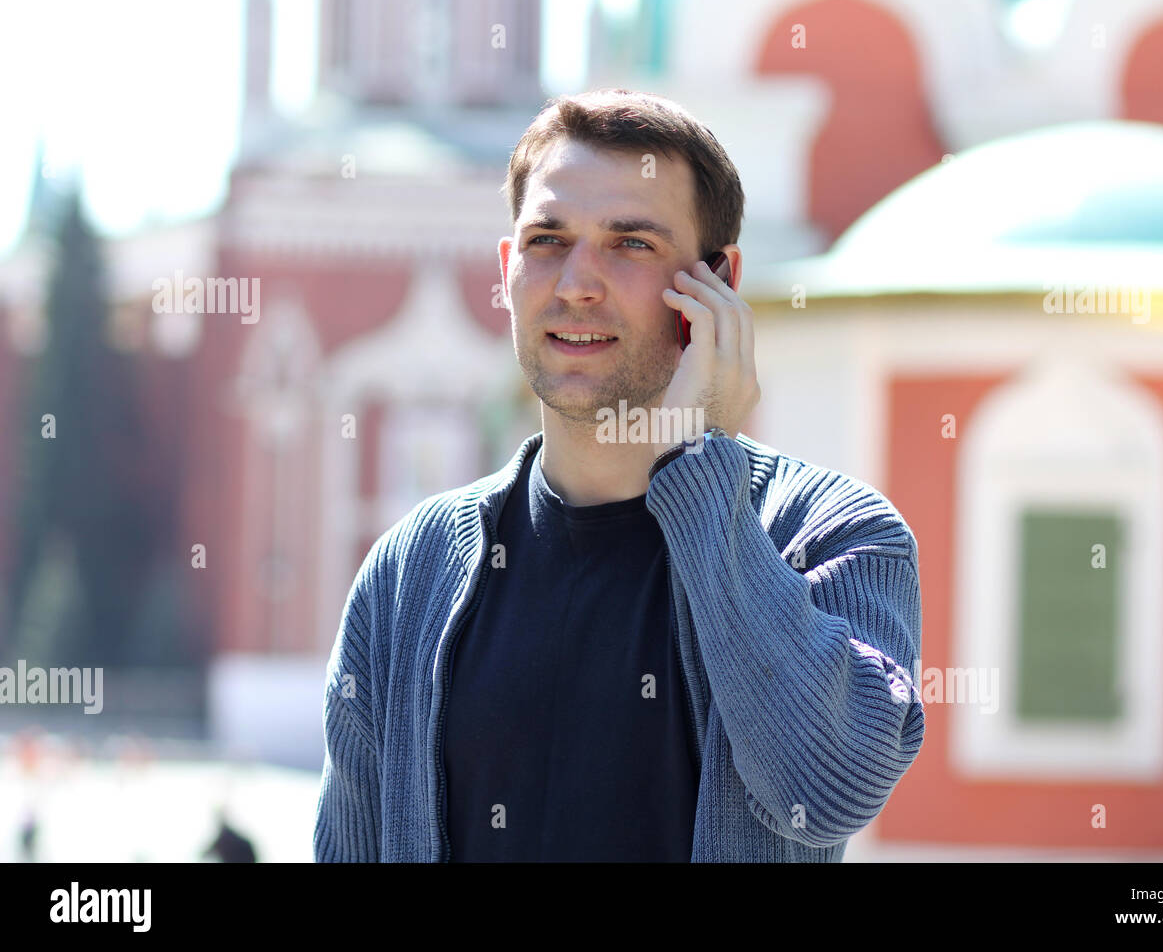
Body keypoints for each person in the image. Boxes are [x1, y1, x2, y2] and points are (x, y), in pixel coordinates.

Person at [314, 88, 924, 862]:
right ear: (508, 272)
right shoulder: (410, 573)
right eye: (548, 240)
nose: (576, 282)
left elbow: (827, 791)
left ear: (716, 286)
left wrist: (698, 460)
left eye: (629, 243)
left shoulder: (827, 532)